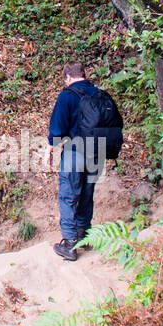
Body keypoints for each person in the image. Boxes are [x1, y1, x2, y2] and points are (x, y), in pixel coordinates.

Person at [48, 61, 110, 262]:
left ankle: (69, 243)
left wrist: (51, 146)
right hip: (97, 152)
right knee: (86, 192)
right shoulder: (99, 94)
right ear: (84, 74)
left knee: (68, 193)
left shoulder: (67, 96)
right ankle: (84, 234)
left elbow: (58, 127)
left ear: (68, 78)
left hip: (75, 152)